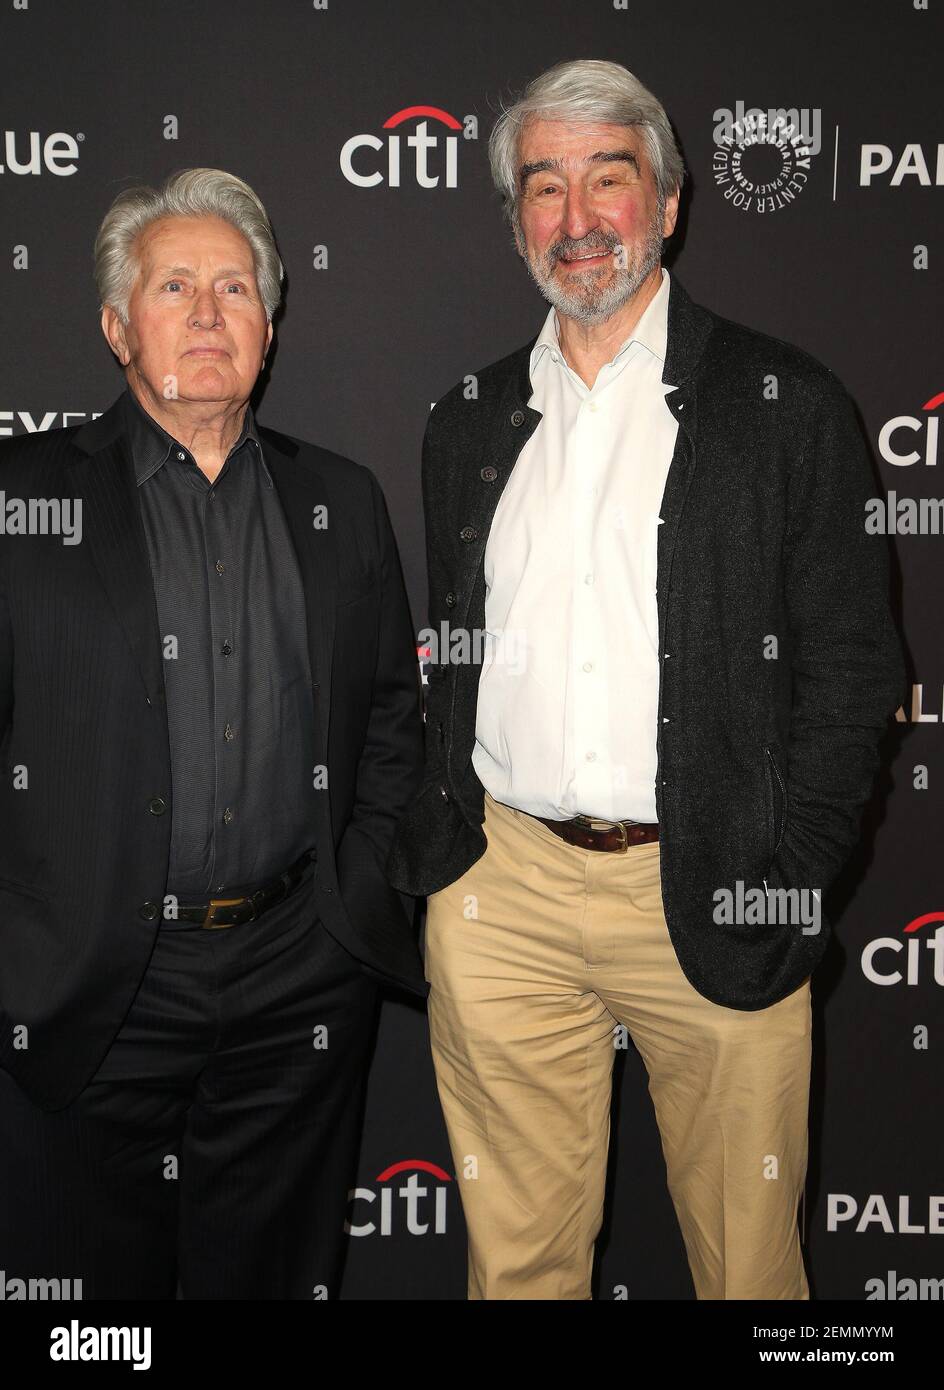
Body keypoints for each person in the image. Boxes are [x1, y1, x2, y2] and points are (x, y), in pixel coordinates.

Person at [387, 60, 905, 1299]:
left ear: (667, 203)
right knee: (516, 1268)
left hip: (716, 880)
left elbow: (849, 673)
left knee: (747, 1272)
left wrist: (787, 874)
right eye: (543, 187)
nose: (575, 219)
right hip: (502, 890)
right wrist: (447, 854)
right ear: (514, 219)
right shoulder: (465, 418)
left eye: (606, 180)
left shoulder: (783, 407)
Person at [0, 167, 424, 1299]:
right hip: (89, 985)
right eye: (172, 285)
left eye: (233, 287)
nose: (204, 313)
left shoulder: (340, 501)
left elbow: (391, 718)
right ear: (112, 324)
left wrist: (353, 908)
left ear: (269, 326)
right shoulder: (20, 502)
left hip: (297, 984)